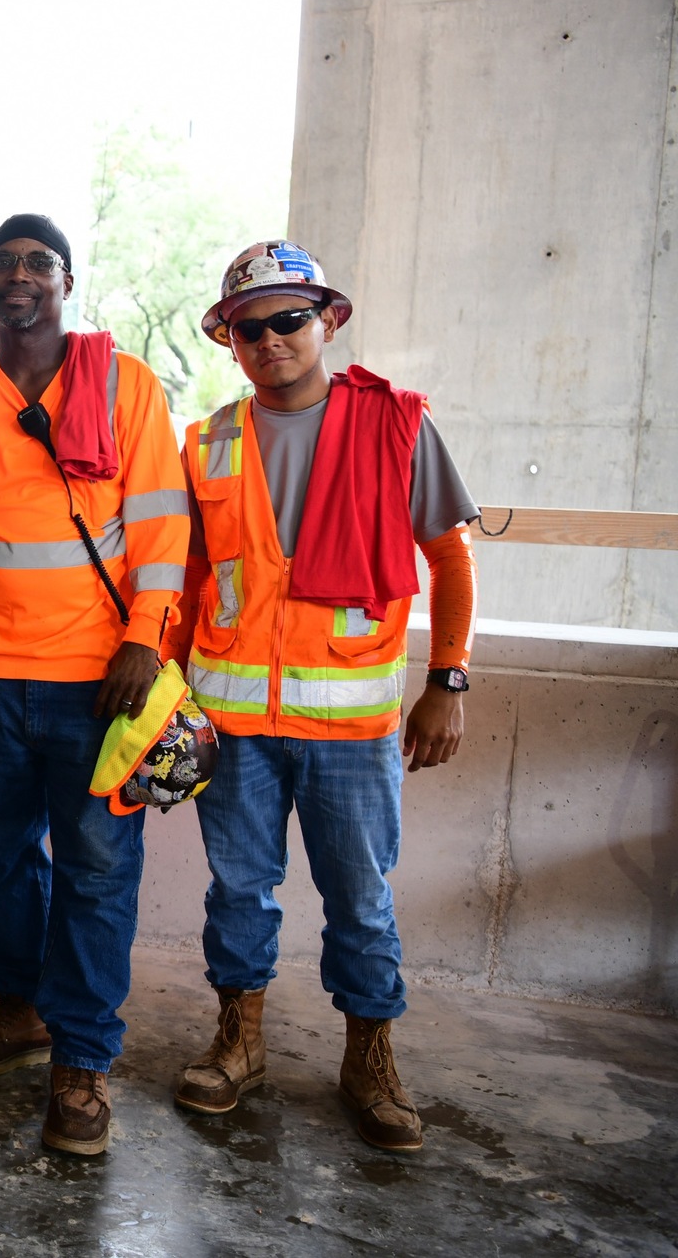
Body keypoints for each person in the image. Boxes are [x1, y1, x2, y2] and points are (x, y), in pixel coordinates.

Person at [166, 242, 479, 1153]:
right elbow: (188, 576)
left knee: (362, 898)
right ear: (230, 341)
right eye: (248, 327)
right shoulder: (209, 442)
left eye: (288, 319)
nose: (270, 340)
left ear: (328, 320)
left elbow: (450, 554)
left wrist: (446, 678)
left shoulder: (399, 428)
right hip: (233, 725)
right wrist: (170, 692)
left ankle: (370, 1056)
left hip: (350, 728)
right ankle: (239, 1042)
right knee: (239, 892)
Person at [0, 214, 191, 1155]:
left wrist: (144, 639)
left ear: (66, 282)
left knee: (99, 873)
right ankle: (20, 1005)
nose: (20, 277)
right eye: (5, 264)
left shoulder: (125, 388)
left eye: (39, 263)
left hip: (98, 685)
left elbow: (159, 527)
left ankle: (84, 1060)